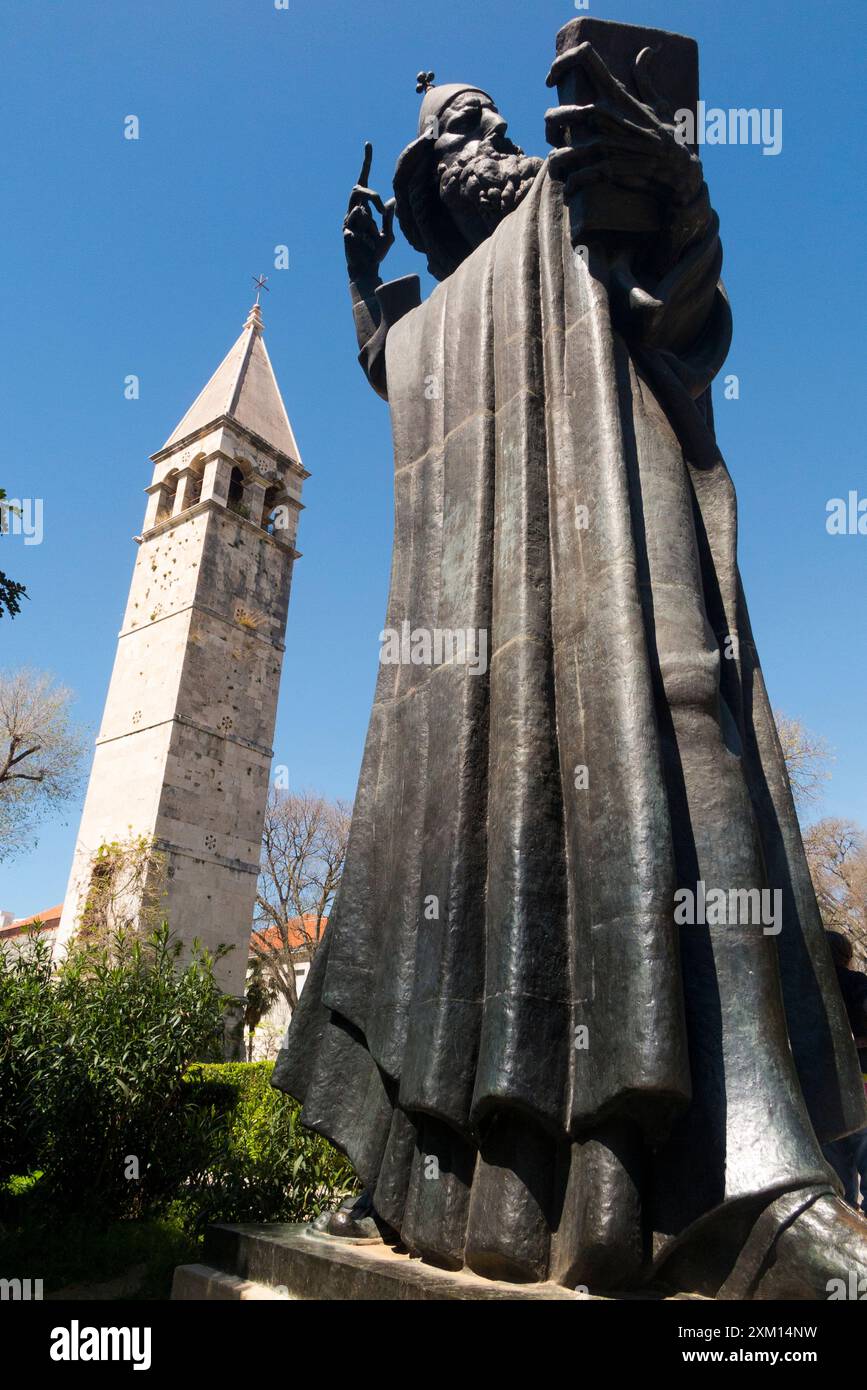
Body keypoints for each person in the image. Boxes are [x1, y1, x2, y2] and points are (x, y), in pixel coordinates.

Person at [273, 26, 867, 1297]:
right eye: (456, 131)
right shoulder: (440, 327)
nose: (481, 136)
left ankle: (757, 1173)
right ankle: (466, 1176)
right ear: (427, 193)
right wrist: (364, 287)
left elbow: (676, 295)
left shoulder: (570, 207)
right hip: (488, 653)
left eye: (491, 117)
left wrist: (679, 176)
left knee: (690, 721)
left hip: (624, 540)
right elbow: (391, 366)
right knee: (481, 843)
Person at [823, 931, 867, 1212]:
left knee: (837, 1176)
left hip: (822, 1093)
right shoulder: (857, 984)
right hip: (861, 1084)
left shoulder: (804, 991)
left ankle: (846, 1222)